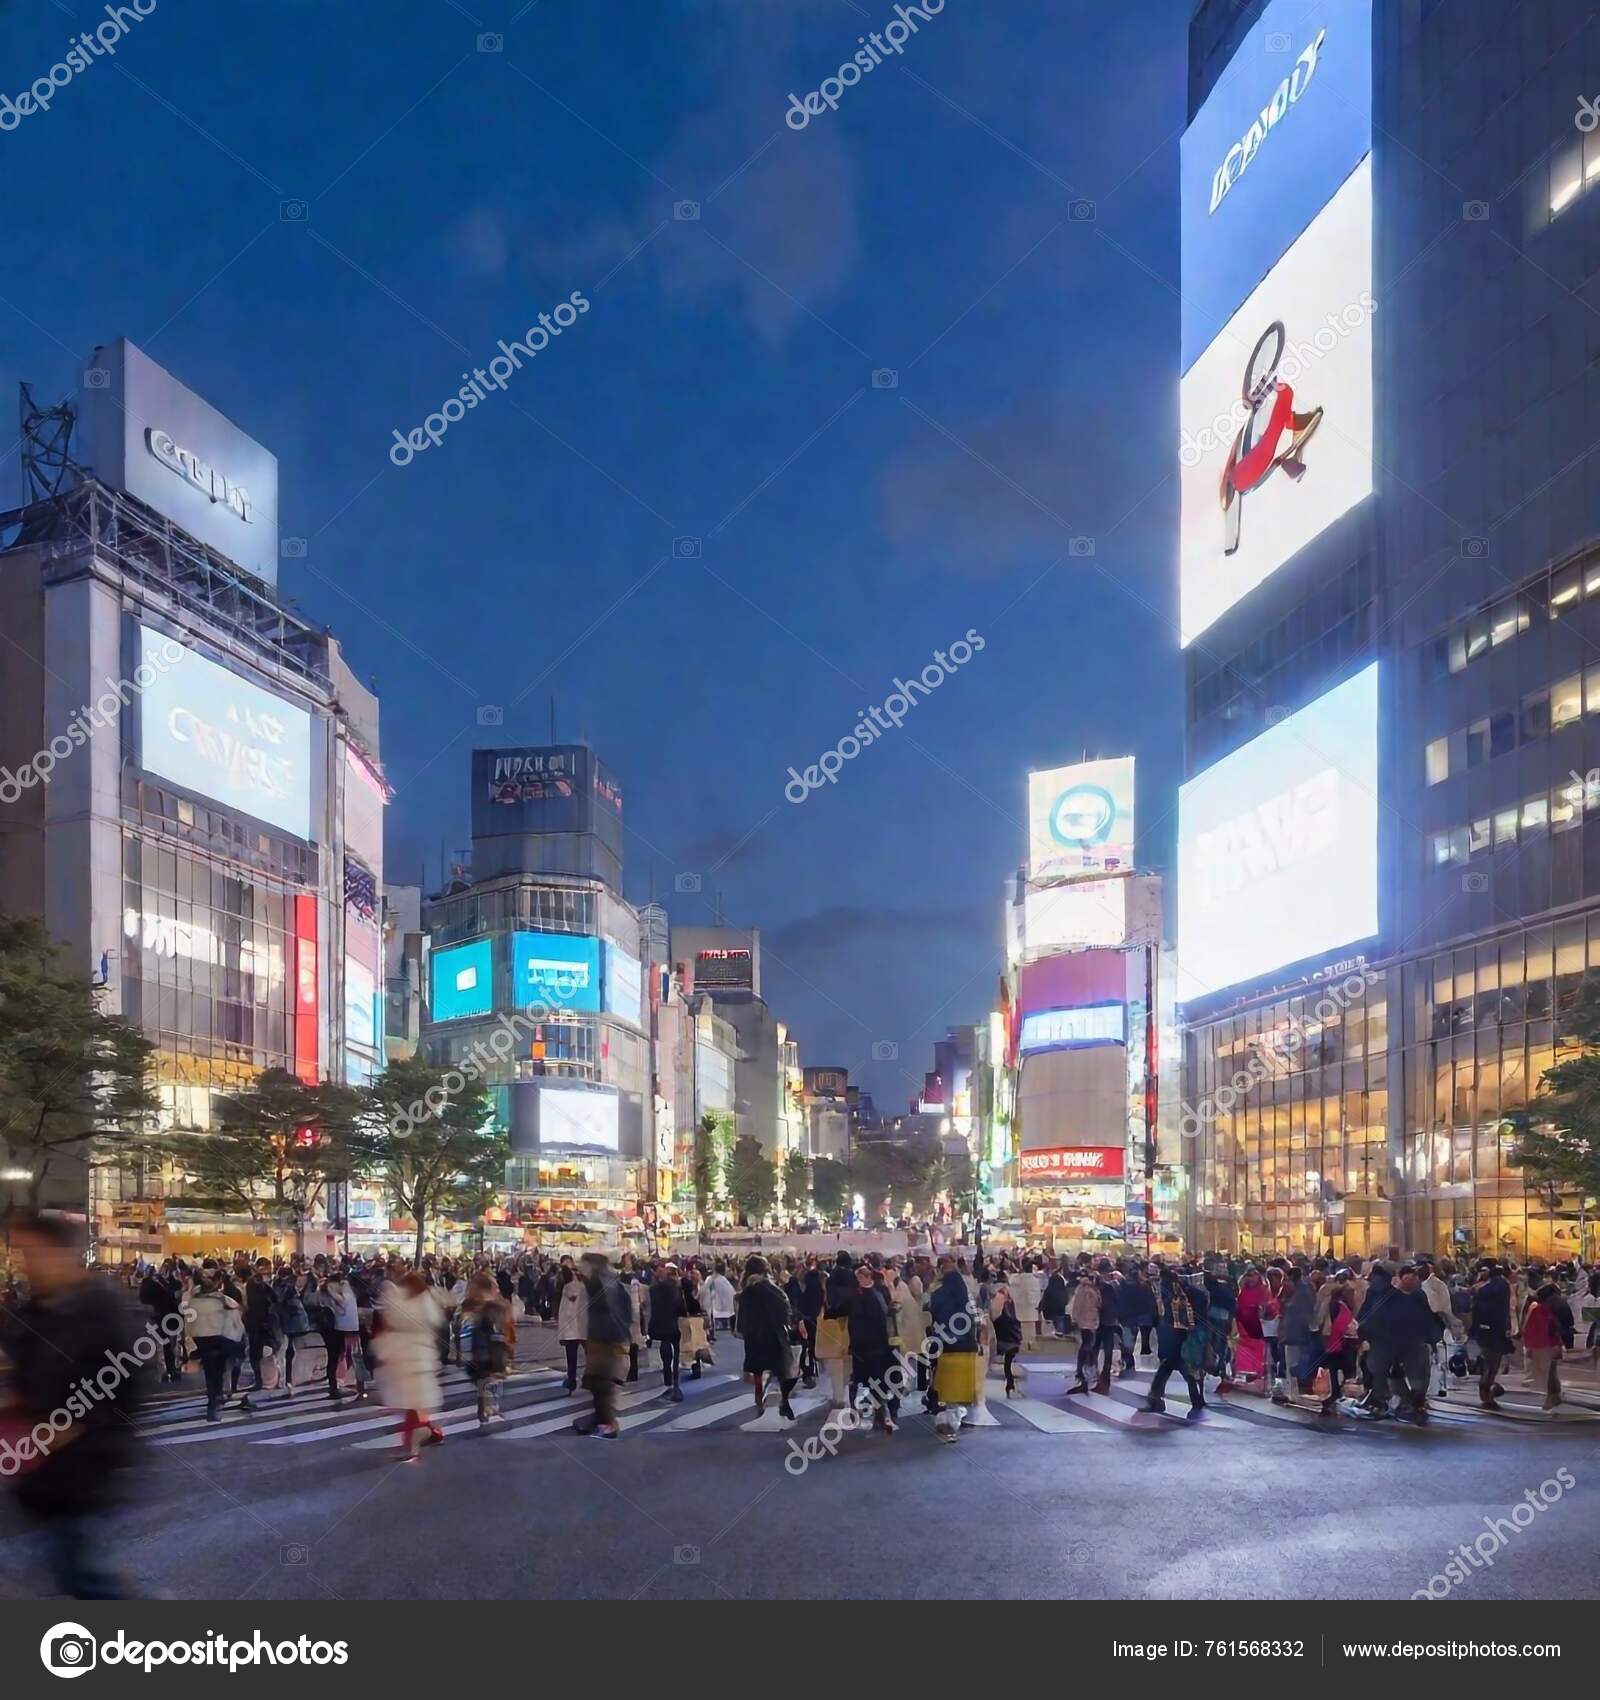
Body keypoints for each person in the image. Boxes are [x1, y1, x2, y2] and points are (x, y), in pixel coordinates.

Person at [0, 1214, 144, 1598]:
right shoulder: (34, 1311)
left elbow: (121, 1391)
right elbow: (22, 1376)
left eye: (32, 1253)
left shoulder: (104, 1311)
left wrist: (67, 1428)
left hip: (85, 1469)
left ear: (63, 1253)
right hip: (38, 1471)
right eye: (20, 1254)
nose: (24, 1263)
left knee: (85, 1576)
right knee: (72, 1570)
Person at [375, 1272, 446, 1459]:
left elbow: (388, 1321)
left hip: (405, 1361)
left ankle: (418, 1443)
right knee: (417, 1407)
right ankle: (427, 1437)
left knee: (412, 1407)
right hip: (422, 1360)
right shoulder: (427, 1304)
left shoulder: (399, 1302)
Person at [573, 1252, 632, 1438]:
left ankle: (608, 1424)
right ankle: (600, 1420)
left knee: (601, 1383)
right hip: (603, 1338)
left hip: (605, 1339)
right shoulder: (610, 1282)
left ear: (593, 1265)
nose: (581, 1268)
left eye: (584, 1264)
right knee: (596, 1382)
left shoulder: (600, 1283)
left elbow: (611, 1312)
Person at [736, 1255, 799, 1420]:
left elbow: (743, 1316)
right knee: (781, 1368)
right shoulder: (772, 1289)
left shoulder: (747, 1291)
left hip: (755, 1335)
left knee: (757, 1368)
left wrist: (743, 1330)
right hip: (773, 1333)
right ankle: (784, 1401)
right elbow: (785, 1307)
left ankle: (759, 1397)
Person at [927, 1256, 980, 1441]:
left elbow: (930, 1316)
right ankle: (956, 1418)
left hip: (945, 1347)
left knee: (945, 1389)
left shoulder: (937, 1293)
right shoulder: (967, 1293)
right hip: (965, 1348)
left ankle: (946, 1424)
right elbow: (976, 1318)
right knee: (960, 1391)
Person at [1142, 1264, 1205, 1414]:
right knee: (1177, 1367)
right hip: (1181, 1334)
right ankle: (1195, 1398)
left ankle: (1156, 1400)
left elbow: (1166, 1313)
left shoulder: (1169, 1291)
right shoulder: (1185, 1290)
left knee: (1168, 1368)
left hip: (1175, 1334)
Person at [847, 1260, 899, 1432]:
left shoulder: (860, 1296)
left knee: (867, 1380)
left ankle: (878, 1414)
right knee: (876, 1380)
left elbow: (856, 1323)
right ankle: (881, 1414)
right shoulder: (876, 1293)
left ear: (863, 1277)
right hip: (877, 1345)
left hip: (868, 1347)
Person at [187, 1268, 244, 1422]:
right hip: (220, 1341)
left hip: (202, 1342)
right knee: (219, 1373)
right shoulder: (224, 1301)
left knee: (211, 1374)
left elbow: (188, 1324)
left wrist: (189, 1345)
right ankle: (216, 1401)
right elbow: (237, 1324)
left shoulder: (193, 1300)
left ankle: (213, 1402)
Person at [462, 1272, 514, 1423]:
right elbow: (496, 1331)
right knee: (488, 1380)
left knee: (484, 1381)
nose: (497, 1289)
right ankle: (488, 1408)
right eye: (495, 1286)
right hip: (489, 1352)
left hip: (481, 1351)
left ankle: (485, 1409)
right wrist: (506, 1347)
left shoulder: (478, 1306)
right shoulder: (491, 1307)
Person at [1470, 1259, 1514, 1411]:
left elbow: (1475, 1309)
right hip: (1495, 1330)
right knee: (1492, 1365)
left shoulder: (1484, 1289)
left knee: (1489, 1363)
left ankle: (1486, 1392)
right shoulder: (1502, 1286)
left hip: (1484, 1330)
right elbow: (1505, 1311)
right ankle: (1486, 1394)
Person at [817, 1252, 856, 1408]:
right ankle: (845, 1389)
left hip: (832, 1320)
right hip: (850, 1321)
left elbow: (827, 1298)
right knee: (847, 1359)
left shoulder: (831, 1277)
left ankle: (837, 1396)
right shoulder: (852, 1277)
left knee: (834, 1360)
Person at [1522, 1283, 1566, 1411]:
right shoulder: (1543, 1310)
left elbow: (1530, 1329)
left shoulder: (1547, 1310)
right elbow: (1531, 1329)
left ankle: (1552, 1397)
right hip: (1543, 1345)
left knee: (1549, 1373)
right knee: (1550, 1373)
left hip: (1545, 1345)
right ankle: (1554, 1396)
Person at [647, 1262, 686, 1402]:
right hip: (673, 1322)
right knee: (675, 1350)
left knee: (664, 1346)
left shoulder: (654, 1289)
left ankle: (667, 1376)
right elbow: (680, 1306)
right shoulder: (675, 1289)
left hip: (658, 1322)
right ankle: (675, 1379)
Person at [989, 1275, 1023, 1396]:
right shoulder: (1010, 1298)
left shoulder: (999, 1297)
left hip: (1003, 1332)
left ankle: (1010, 1384)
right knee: (1008, 1360)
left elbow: (994, 1314)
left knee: (1001, 1359)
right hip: (1012, 1332)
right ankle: (1010, 1384)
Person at [556, 1262, 588, 1392]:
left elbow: (567, 1311)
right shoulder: (583, 1287)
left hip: (570, 1329)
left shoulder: (567, 1288)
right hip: (583, 1326)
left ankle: (571, 1380)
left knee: (571, 1358)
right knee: (589, 1355)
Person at [798, 1259, 825, 1387]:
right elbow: (821, 1303)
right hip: (814, 1319)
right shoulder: (819, 1288)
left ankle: (807, 1370)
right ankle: (812, 1369)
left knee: (804, 1345)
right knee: (812, 1345)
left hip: (803, 1319)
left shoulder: (804, 1288)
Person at [705, 1262, 737, 1340]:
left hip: (715, 1309)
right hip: (723, 1310)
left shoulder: (711, 1279)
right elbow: (732, 1295)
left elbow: (705, 1292)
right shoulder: (724, 1282)